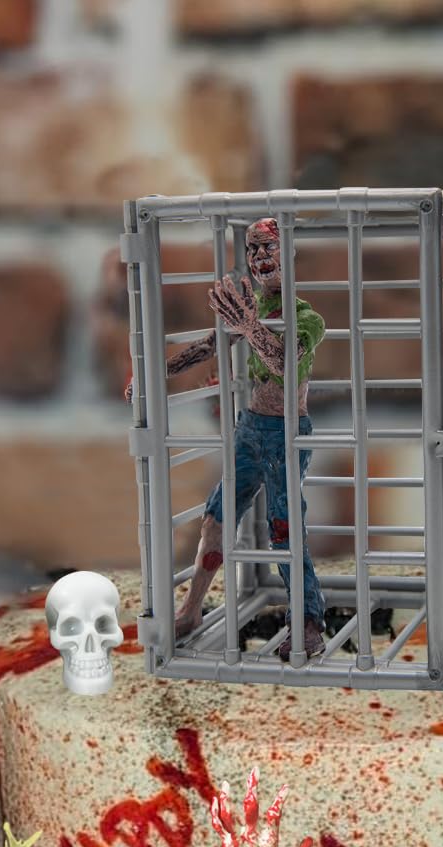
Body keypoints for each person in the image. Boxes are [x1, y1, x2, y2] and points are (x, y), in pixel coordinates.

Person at [139, 217, 329, 655]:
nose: (260, 257)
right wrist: (158, 374)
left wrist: (248, 327)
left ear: (289, 254)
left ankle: (308, 621)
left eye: (269, 247)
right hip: (250, 429)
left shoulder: (307, 318)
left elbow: (284, 363)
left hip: (285, 433)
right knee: (216, 518)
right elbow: (211, 344)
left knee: (284, 529)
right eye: (252, 248)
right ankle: (191, 610)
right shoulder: (252, 309)